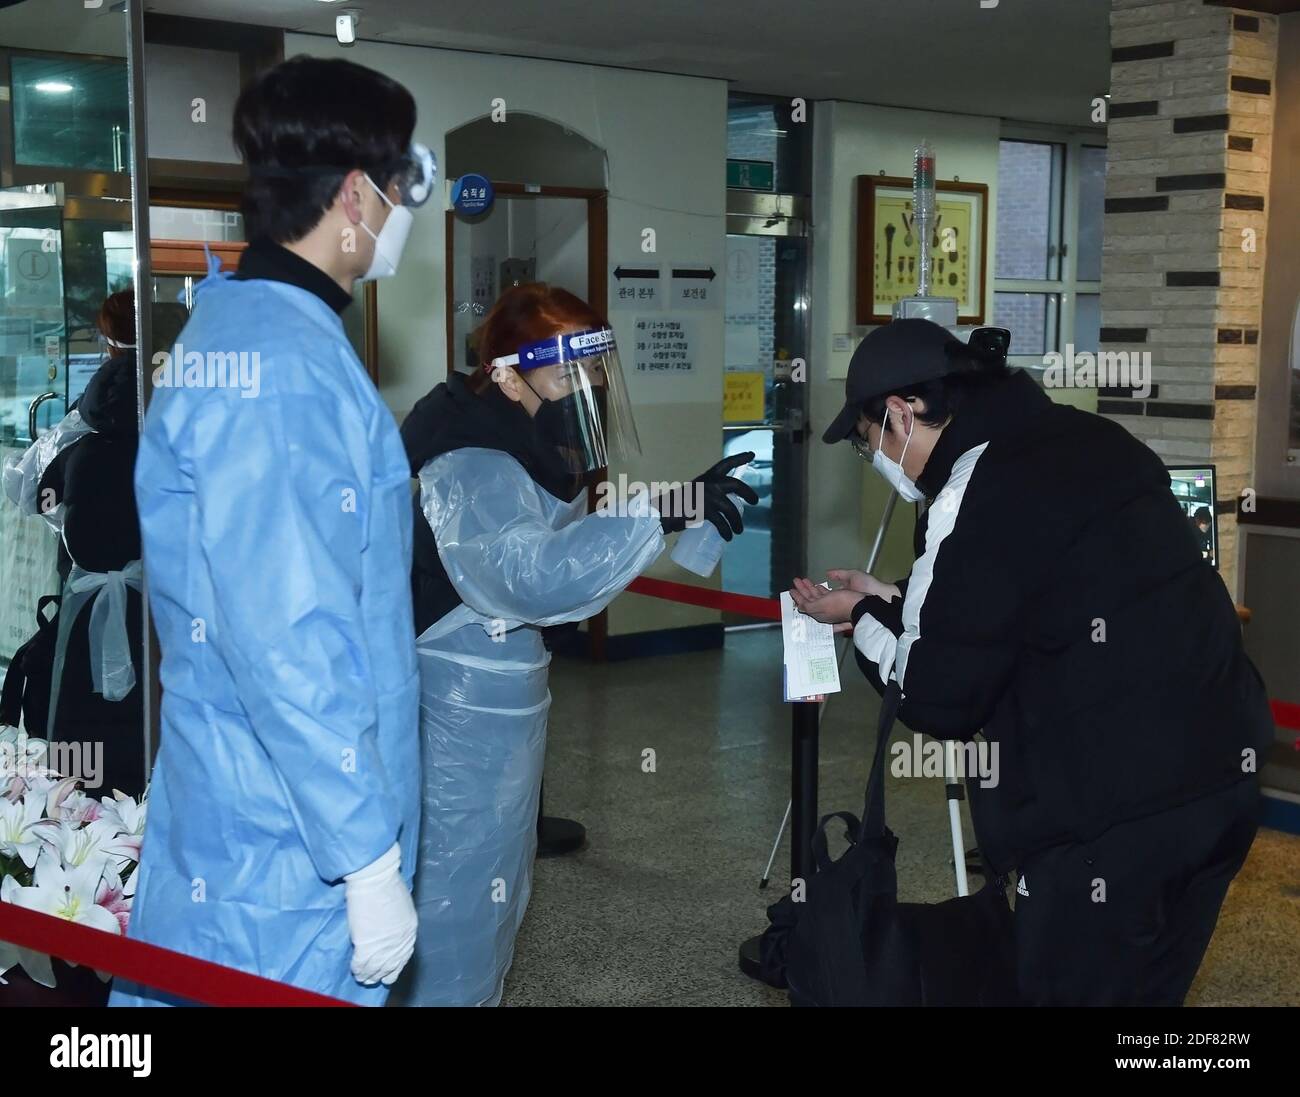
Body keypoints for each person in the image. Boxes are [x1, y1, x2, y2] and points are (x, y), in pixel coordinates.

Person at [795, 318, 1273, 1006]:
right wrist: (895, 600)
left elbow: (935, 694)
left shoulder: (972, 485)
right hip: (1223, 781)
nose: (874, 457)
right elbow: (1027, 602)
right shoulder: (1088, 439)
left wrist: (859, 617)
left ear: (901, 413)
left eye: (869, 441)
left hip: (1110, 822)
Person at [109, 56, 436, 1007]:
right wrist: (367, 858)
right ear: (351, 196)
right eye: (399, 186)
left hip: (245, 823)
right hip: (288, 860)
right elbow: (290, 637)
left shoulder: (242, 327)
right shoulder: (283, 367)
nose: (402, 212)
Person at [393, 282, 756, 1006]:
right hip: (459, 705)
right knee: (457, 900)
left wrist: (676, 506)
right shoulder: (470, 456)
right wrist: (658, 510)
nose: (585, 388)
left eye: (593, 372)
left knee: (494, 885)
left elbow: (549, 543)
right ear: (505, 371)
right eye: (568, 373)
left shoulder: (509, 436)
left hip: (494, 697)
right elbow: (526, 572)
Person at [1, 291, 144, 796]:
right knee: (150, 722)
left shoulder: (82, 428)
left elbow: (25, 488)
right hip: (163, 609)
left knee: (81, 728)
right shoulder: (177, 419)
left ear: (107, 344)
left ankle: (79, 822)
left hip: (83, 602)